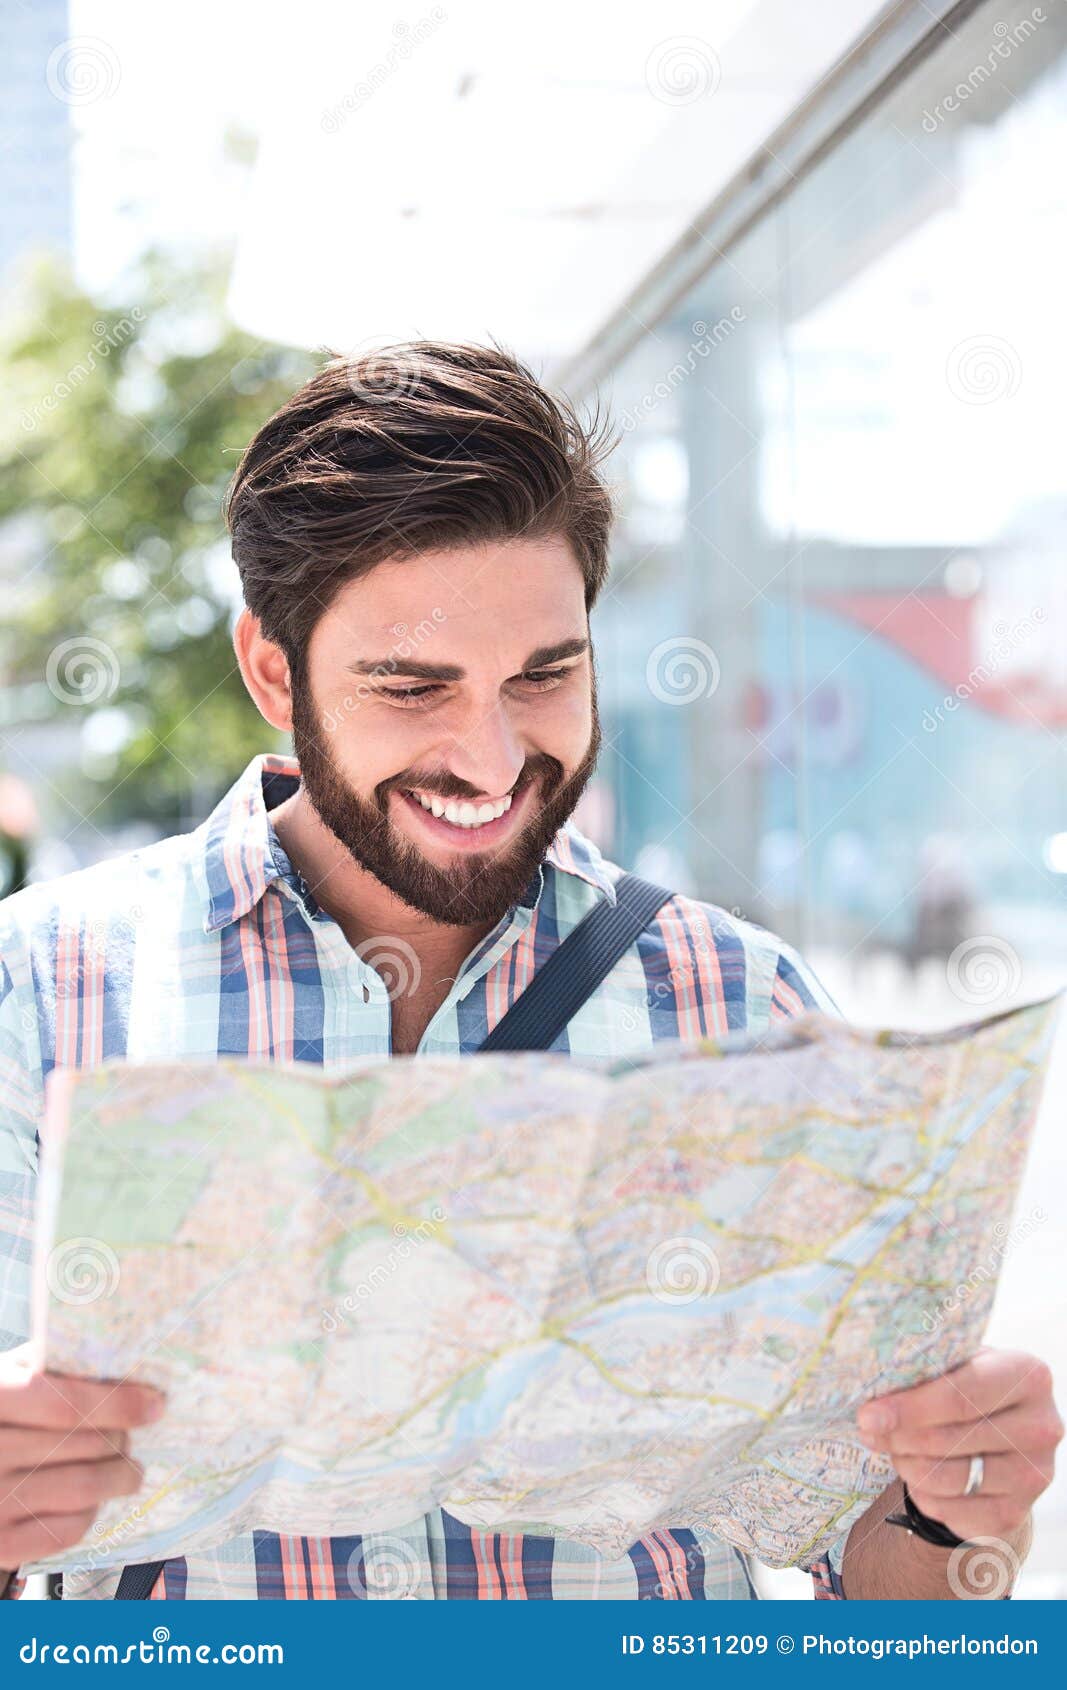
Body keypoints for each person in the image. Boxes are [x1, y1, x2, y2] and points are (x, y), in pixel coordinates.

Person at [0, 343, 1060, 1600]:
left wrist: (953, 1514)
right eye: (412, 684)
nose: (493, 757)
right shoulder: (46, 991)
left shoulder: (742, 1003)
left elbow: (883, 1594)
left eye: (544, 675)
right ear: (273, 672)